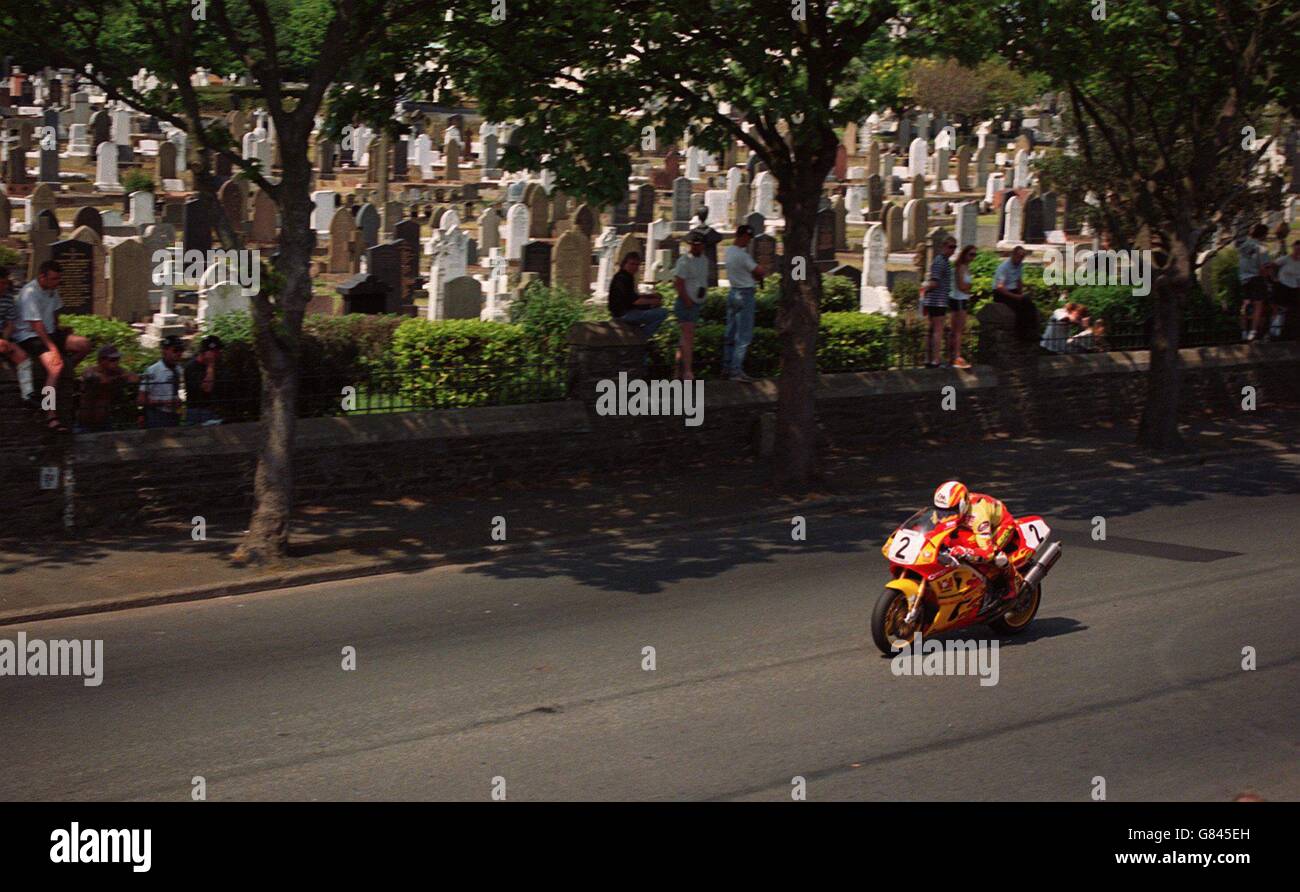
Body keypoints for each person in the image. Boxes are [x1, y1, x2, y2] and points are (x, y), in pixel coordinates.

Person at [11, 260, 92, 433]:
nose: (57, 283)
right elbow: (36, 326)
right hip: (30, 335)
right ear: (42, 277)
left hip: (50, 331)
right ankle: (50, 413)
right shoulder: (29, 292)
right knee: (55, 367)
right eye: (54, 279)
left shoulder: (51, 290)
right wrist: (53, 349)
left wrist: (59, 328)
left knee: (84, 344)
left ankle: (66, 373)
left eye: (58, 279)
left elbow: (55, 313)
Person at [931, 480, 1018, 613]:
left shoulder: (978, 515)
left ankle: (1012, 584)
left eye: (951, 512)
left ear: (962, 506)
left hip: (1000, 525)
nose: (944, 517)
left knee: (996, 557)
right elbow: (931, 530)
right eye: (941, 511)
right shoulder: (941, 513)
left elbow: (987, 552)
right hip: (967, 527)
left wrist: (965, 551)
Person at [723, 224, 767, 382]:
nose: (748, 241)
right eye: (747, 238)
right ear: (741, 236)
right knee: (743, 336)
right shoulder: (743, 256)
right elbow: (760, 271)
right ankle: (736, 371)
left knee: (730, 333)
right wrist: (761, 269)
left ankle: (727, 367)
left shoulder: (728, 251)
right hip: (745, 293)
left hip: (733, 292)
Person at [672, 231, 710, 380]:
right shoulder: (684, 261)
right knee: (688, 337)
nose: (696, 247)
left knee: (684, 340)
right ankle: (688, 372)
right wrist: (687, 300)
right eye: (694, 245)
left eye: (699, 245)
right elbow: (678, 283)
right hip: (685, 303)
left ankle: (677, 373)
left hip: (697, 302)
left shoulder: (704, 260)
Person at [76, 344, 139, 433]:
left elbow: (134, 379)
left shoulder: (117, 371)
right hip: (86, 420)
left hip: (105, 420)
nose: (116, 362)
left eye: (117, 359)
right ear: (101, 360)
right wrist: (119, 378)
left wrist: (121, 376)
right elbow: (101, 380)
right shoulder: (91, 370)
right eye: (113, 360)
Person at [607, 252, 668, 341]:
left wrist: (650, 296)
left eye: (637, 265)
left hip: (628, 311)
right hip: (623, 314)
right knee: (662, 312)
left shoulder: (627, 276)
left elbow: (631, 296)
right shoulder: (622, 278)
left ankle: (639, 336)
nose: (634, 267)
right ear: (624, 264)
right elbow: (635, 301)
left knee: (651, 307)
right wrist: (653, 301)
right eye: (631, 264)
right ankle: (641, 338)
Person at [920, 236, 957, 367]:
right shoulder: (940, 261)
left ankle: (929, 358)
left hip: (938, 300)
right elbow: (934, 282)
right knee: (937, 331)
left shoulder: (945, 261)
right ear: (944, 246)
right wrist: (925, 287)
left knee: (932, 330)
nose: (953, 250)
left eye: (955, 247)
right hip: (937, 301)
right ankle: (935, 360)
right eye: (950, 247)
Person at [0, 265, 35, 404]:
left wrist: (4, 340)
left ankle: (27, 395)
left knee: (23, 358)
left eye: (5, 283)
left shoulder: (7, 298)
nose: (3, 286)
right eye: (1, 283)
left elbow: (10, 323)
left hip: (3, 337)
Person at [138, 335, 185, 429]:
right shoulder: (153, 371)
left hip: (174, 414)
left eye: (181, 350)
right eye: (175, 350)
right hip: (157, 415)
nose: (179, 353)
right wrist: (163, 402)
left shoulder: (178, 369)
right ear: (165, 351)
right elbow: (141, 399)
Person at [993, 246, 1038, 342]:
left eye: (1022, 256)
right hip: (1002, 293)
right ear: (1013, 255)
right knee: (1018, 308)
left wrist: (1021, 294)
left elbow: (1018, 281)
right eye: (1019, 256)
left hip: (1013, 290)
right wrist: (1016, 297)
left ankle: (1032, 331)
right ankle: (1020, 335)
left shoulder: (1019, 265)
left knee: (1030, 305)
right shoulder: (1004, 267)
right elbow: (1000, 287)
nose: (1020, 258)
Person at [1238, 223, 1271, 341]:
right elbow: (1264, 268)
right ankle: (1253, 331)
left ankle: (1243, 331)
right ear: (1263, 234)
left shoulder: (1244, 245)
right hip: (1256, 278)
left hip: (1244, 278)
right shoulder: (1261, 247)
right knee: (1258, 305)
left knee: (1245, 303)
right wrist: (1269, 277)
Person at [184, 335, 225, 426]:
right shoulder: (192, 367)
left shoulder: (218, 365)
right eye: (216, 352)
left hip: (212, 409)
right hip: (197, 411)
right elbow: (207, 388)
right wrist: (210, 365)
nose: (219, 354)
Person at [949, 245, 976, 369]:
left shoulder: (966, 267)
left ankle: (954, 356)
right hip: (959, 300)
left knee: (958, 330)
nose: (973, 257)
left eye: (974, 255)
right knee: (958, 331)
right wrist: (968, 288)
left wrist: (967, 287)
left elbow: (967, 286)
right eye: (971, 254)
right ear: (964, 254)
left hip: (963, 299)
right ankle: (956, 357)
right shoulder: (960, 267)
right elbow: (962, 286)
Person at [1267, 240, 1300, 339]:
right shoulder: (1285, 259)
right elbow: (1271, 266)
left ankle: (1290, 332)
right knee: (1278, 307)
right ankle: (1273, 330)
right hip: (1283, 286)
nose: (1298, 251)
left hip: (1295, 288)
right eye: (1297, 249)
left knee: (1293, 310)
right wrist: (1274, 278)